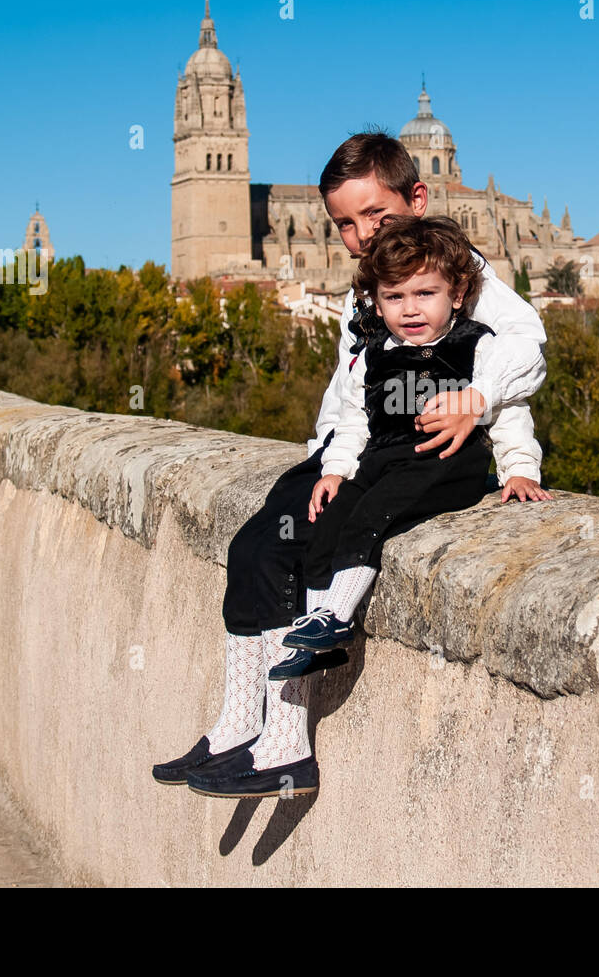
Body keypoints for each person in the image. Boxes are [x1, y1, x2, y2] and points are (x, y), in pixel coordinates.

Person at [152, 132, 551, 794]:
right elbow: (350, 391)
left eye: (377, 216)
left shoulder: (456, 270)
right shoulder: (365, 294)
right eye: (345, 223)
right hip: (354, 452)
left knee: (304, 550)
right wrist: (330, 462)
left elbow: (526, 342)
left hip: (412, 460)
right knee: (255, 545)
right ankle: (237, 727)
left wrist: (478, 407)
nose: (362, 233)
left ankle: (284, 745)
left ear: (418, 199)